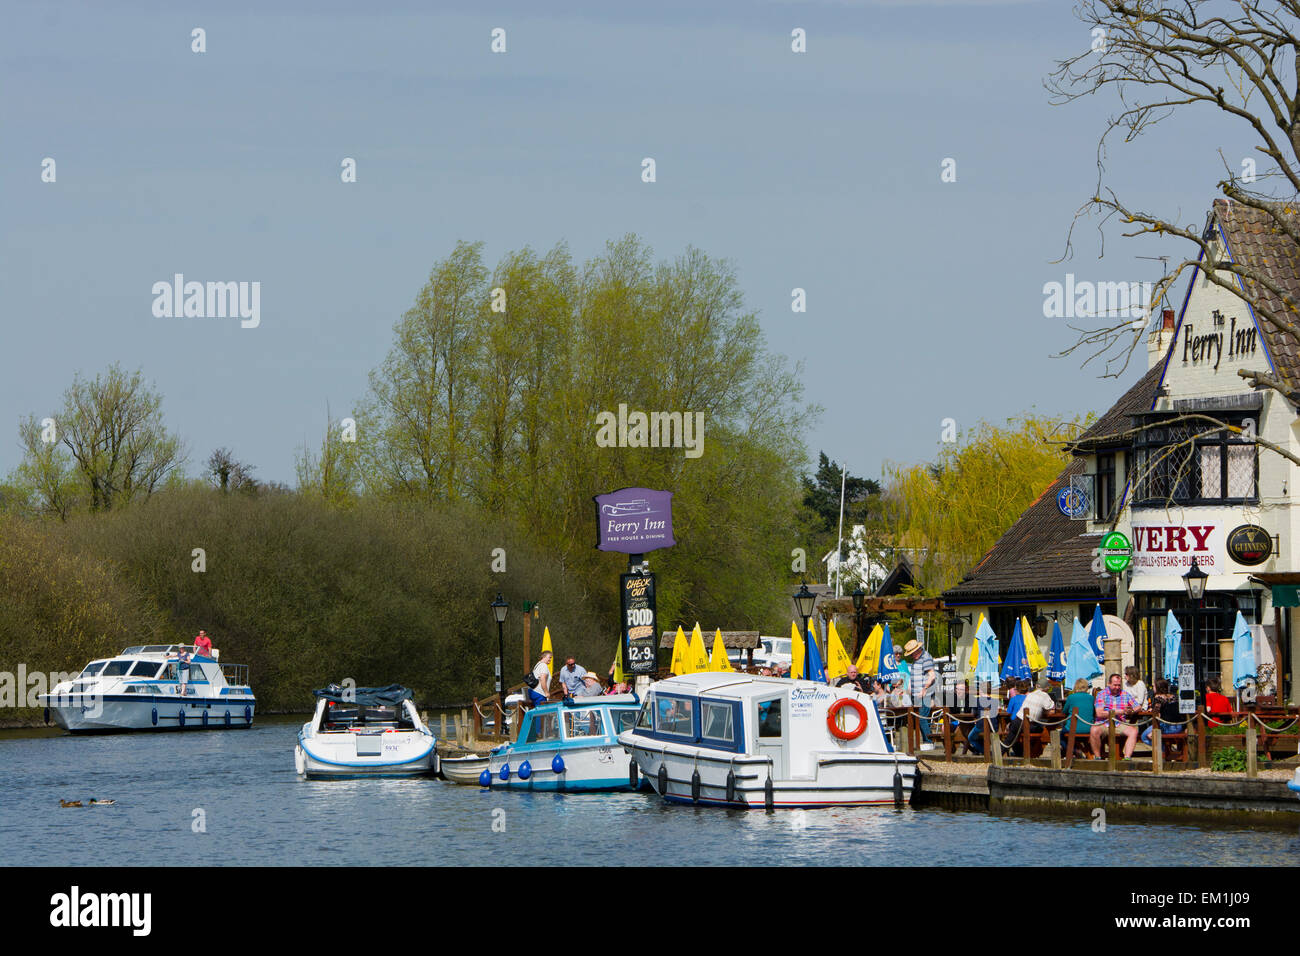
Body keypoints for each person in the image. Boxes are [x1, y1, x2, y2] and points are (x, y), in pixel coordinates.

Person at [1090, 672, 1140, 759]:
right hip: (1103, 723)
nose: (1117, 687)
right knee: (1094, 730)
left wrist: (1131, 711)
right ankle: (1097, 757)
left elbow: (1138, 707)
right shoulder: (1102, 694)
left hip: (1119, 724)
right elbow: (1099, 713)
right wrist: (1120, 712)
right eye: (1114, 685)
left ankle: (1127, 757)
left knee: (1133, 731)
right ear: (1109, 684)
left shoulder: (1125, 694)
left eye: (1119, 685)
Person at [903, 639, 937, 750]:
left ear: (917, 650)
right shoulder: (917, 659)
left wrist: (924, 689)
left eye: (912, 653)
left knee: (922, 717)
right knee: (920, 718)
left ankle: (929, 741)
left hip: (925, 694)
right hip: (917, 694)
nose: (911, 656)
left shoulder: (926, 657)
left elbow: (932, 675)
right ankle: (926, 741)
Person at [1062, 678, 1096, 757]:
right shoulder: (1091, 698)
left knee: (1060, 736)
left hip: (1072, 728)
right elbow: (1093, 712)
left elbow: (1064, 711)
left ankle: (1075, 750)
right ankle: (1083, 750)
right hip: (1089, 728)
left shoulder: (1071, 697)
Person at [1141, 678, 1181, 744]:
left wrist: (1151, 709)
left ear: (1158, 687)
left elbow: (1156, 712)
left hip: (1167, 727)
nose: (1152, 688)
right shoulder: (1174, 696)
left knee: (1144, 736)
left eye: (1154, 686)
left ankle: (1162, 750)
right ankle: (1165, 750)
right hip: (1178, 726)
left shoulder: (1158, 698)